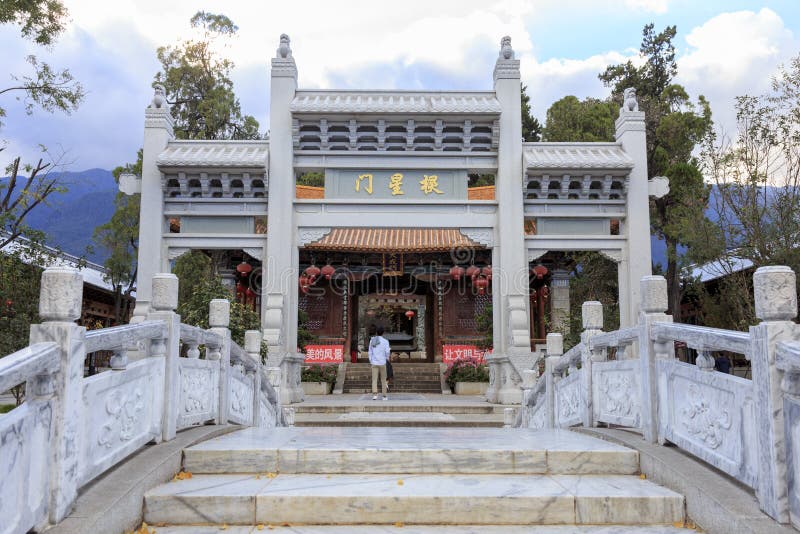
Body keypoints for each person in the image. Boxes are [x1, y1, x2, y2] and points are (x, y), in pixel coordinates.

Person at [368, 325, 390, 400]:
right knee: (383, 379)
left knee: (374, 379)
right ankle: (384, 396)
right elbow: (387, 352)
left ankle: (375, 395)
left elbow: (370, 352)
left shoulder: (372, 340)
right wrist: (386, 358)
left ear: (376, 332)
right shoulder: (385, 341)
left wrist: (371, 360)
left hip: (374, 362)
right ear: (383, 333)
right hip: (382, 362)